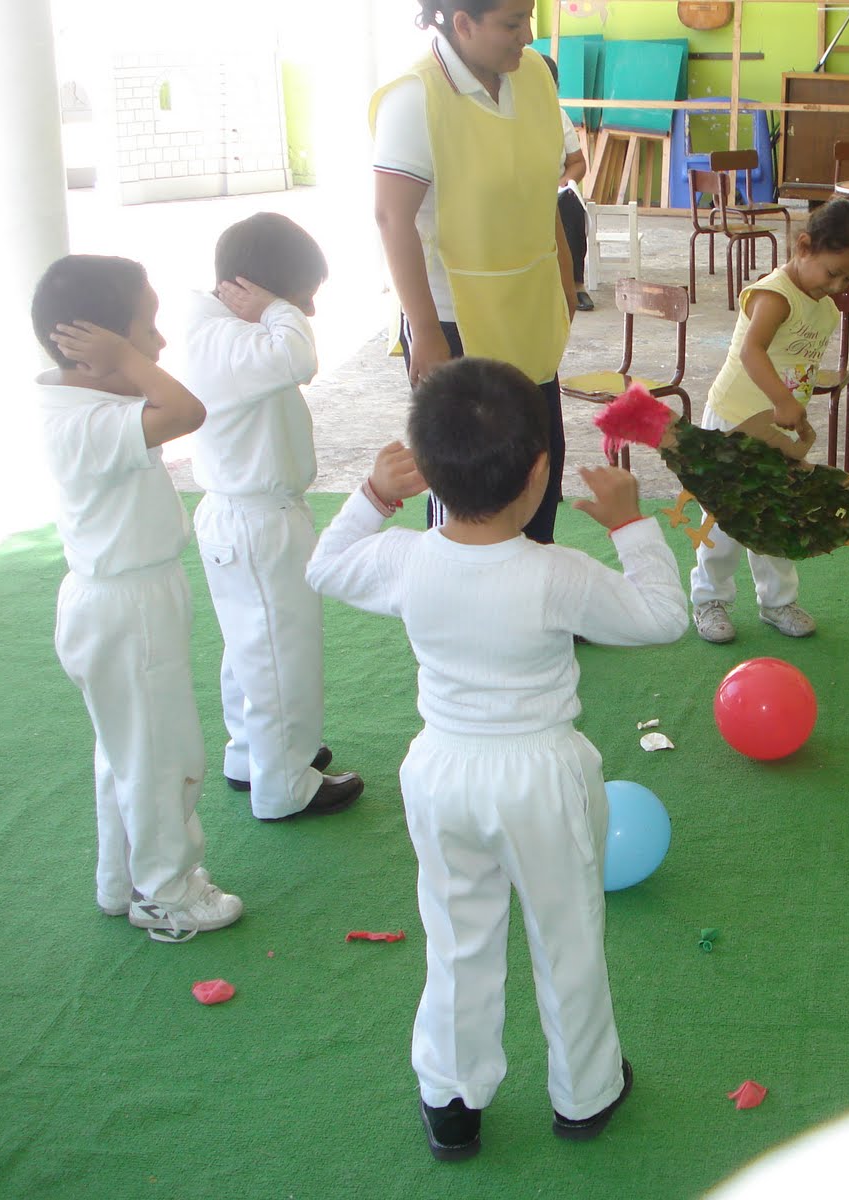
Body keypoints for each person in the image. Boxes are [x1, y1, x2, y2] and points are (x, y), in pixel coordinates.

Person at [305, 357, 688, 1161]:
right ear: (540, 469)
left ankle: (451, 1099)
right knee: (568, 935)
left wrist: (376, 497)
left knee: (456, 937)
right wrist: (630, 524)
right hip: (543, 776)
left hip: (441, 771)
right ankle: (585, 1093)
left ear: (428, 467)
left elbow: (325, 566)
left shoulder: (406, 559)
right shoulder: (555, 574)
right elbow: (662, 617)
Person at [32, 255, 243, 943]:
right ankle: (169, 893)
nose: (157, 346)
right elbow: (188, 409)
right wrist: (124, 354)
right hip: (127, 604)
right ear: (91, 353)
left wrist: (120, 353)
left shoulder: (92, 403)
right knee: (159, 752)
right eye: (142, 334)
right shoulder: (84, 423)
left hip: (124, 596)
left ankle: (122, 879)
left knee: (125, 748)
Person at [182, 213, 365, 821]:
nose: (306, 311)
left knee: (250, 646)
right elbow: (298, 357)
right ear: (252, 288)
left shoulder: (218, 330)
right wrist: (276, 309)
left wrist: (272, 305)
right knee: (279, 651)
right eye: (299, 296)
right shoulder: (228, 337)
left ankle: (252, 755)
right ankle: (286, 782)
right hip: (257, 519)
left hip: (245, 516)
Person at [371, 0, 576, 539]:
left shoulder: (532, 76)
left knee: (540, 468)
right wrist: (426, 334)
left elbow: (541, 188)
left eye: (528, 18)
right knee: (472, 491)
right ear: (462, 23)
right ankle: (466, 616)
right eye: (512, 24)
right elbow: (393, 219)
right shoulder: (415, 98)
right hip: (453, 318)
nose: (526, 36)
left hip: (526, 310)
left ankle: (531, 609)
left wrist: (565, 272)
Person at [689, 199, 849, 644]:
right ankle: (709, 599)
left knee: (778, 514)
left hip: (776, 428)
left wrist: (794, 408)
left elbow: (797, 365)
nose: (838, 285)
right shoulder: (774, 295)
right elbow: (751, 352)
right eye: (833, 272)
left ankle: (777, 602)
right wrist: (781, 400)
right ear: (804, 246)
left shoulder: (825, 307)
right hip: (733, 422)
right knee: (723, 518)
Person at [541, 53, 593, 312]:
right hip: (524, 192)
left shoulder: (559, 116)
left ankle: (575, 284)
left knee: (571, 205)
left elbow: (578, 162)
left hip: (557, 189)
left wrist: (564, 182)